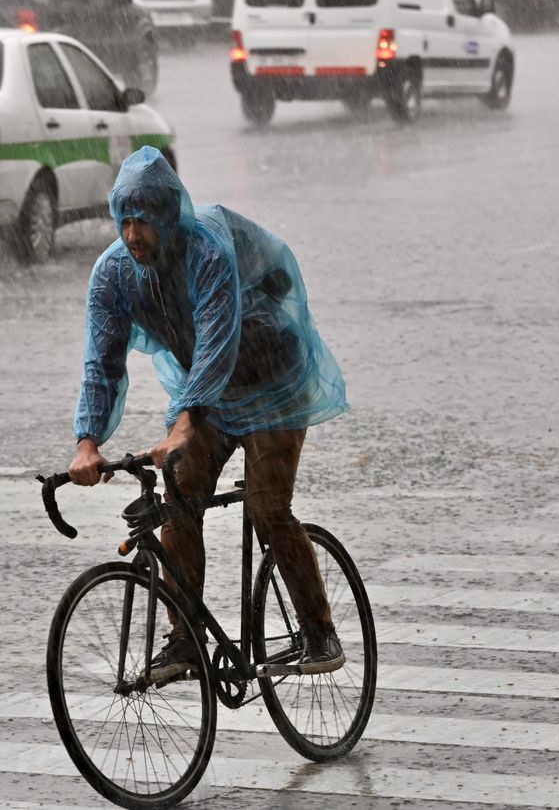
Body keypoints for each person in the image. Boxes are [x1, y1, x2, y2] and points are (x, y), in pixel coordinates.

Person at [68, 146, 349, 681]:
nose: (132, 235)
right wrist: (87, 442)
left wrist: (183, 424)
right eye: (124, 221)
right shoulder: (113, 275)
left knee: (267, 507)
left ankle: (319, 630)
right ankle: (185, 638)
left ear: (169, 217)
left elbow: (218, 344)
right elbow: (100, 363)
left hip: (272, 382)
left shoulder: (207, 252)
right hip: (207, 398)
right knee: (177, 498)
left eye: (144, 221)